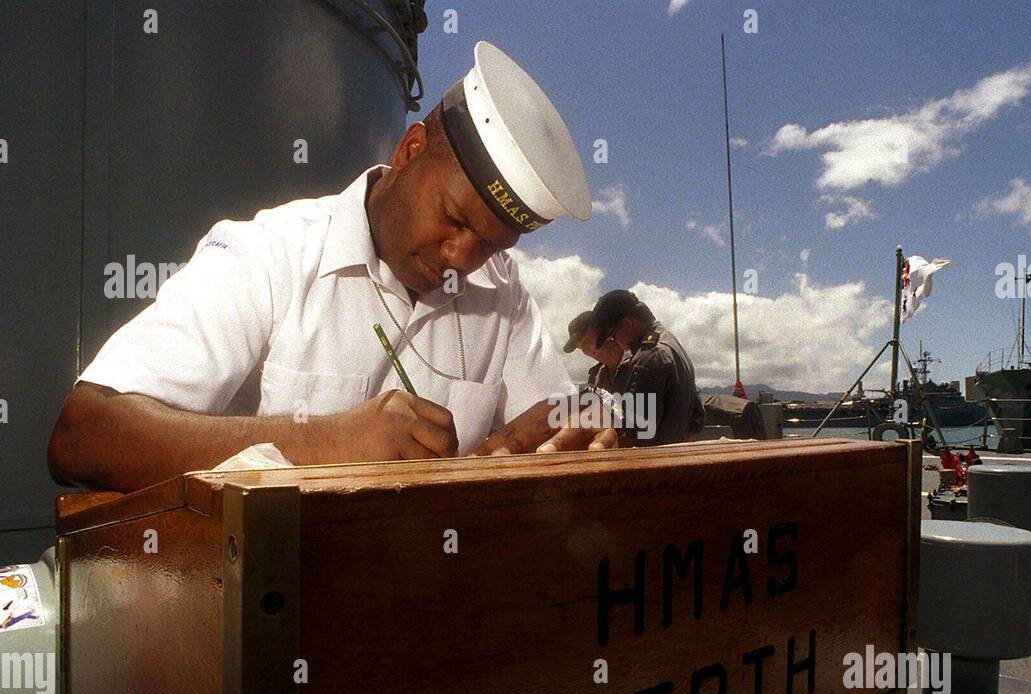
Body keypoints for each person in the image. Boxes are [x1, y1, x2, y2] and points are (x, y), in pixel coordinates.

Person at [47, 41, 616, 493]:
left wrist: (586, 411)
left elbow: (548, 415)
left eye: (491, 247)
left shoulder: (503, 293)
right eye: (454, 219)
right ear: (410, 150)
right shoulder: (268, 253)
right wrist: (325, 442)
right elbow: (84, 437)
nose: (461, 260)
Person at [590, 289, 704, 446]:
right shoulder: (671, 343)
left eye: (612, 335)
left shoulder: (649, 356)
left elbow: (638, 432)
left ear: (628, 324)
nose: (614, 342)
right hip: (675, 455)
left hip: (654, 462)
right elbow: (697, 415)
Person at [562, 310, 626, 391]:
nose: (587, 350)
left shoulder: (641, 362)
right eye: (581, 348)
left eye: (588, 341)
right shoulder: (595, 376)